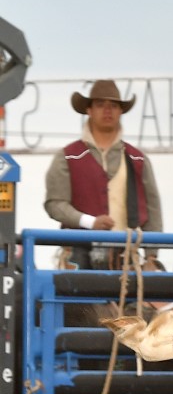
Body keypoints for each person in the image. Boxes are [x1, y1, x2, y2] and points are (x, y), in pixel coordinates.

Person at [45, 80, 163, 271]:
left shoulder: (137, 159)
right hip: (77, 254)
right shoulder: (67, 156)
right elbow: (55, 204)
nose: (107, 111)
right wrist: (89, 222)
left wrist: (151, 256)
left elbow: (153, 211)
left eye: (113, 106)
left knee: (135, 301)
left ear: (120, 111)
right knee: (75, 300)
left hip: (126, 257)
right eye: (100, 105)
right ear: (89, 110)